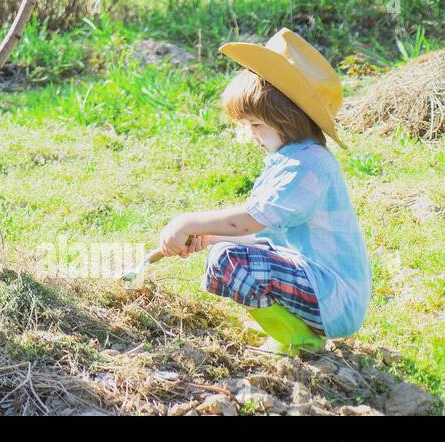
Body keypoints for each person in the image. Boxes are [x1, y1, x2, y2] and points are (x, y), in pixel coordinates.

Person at [157, 28, 372, 355]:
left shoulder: (305, 167)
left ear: (286, 118)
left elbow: (247, 222)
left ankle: (298, 337)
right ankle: (287, 324)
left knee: (232, 261)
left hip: (333, 298)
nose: (252, 134)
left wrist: (188, 223)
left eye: (256, 125)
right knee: (226, 250)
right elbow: (269, 236)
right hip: (321, 289)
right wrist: (210, 237)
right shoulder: (295, 158)